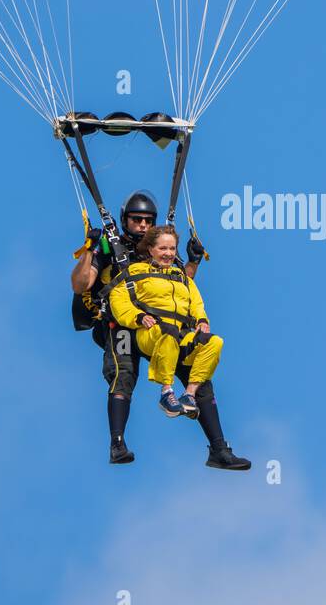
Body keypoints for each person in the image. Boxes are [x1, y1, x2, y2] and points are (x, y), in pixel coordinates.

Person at [70, 190, 250, 470]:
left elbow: (175, 291)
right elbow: (81, 285)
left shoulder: (162, 250)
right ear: (125, 220)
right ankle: (117, 444)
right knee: (123, 375)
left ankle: (219, 450)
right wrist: (91, 250)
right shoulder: (109, 248)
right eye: (136, 220)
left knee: (199, 378)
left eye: (147, 220)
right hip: (123, 324)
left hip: (164, 327)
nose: (142, 225)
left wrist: (191, 262)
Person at [109, 225, 223, 420]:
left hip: (179, 335)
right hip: (149, 333)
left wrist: (202, 320)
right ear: (150, 249)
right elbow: (118, 299)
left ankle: (189, 395)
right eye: (163, 249)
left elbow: (195, 302)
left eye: (172, 249)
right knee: (168, 333)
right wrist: (138, 317)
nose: (168, 254)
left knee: (213, 342)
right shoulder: (135, 271)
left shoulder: (181, 277)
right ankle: (166, 392)